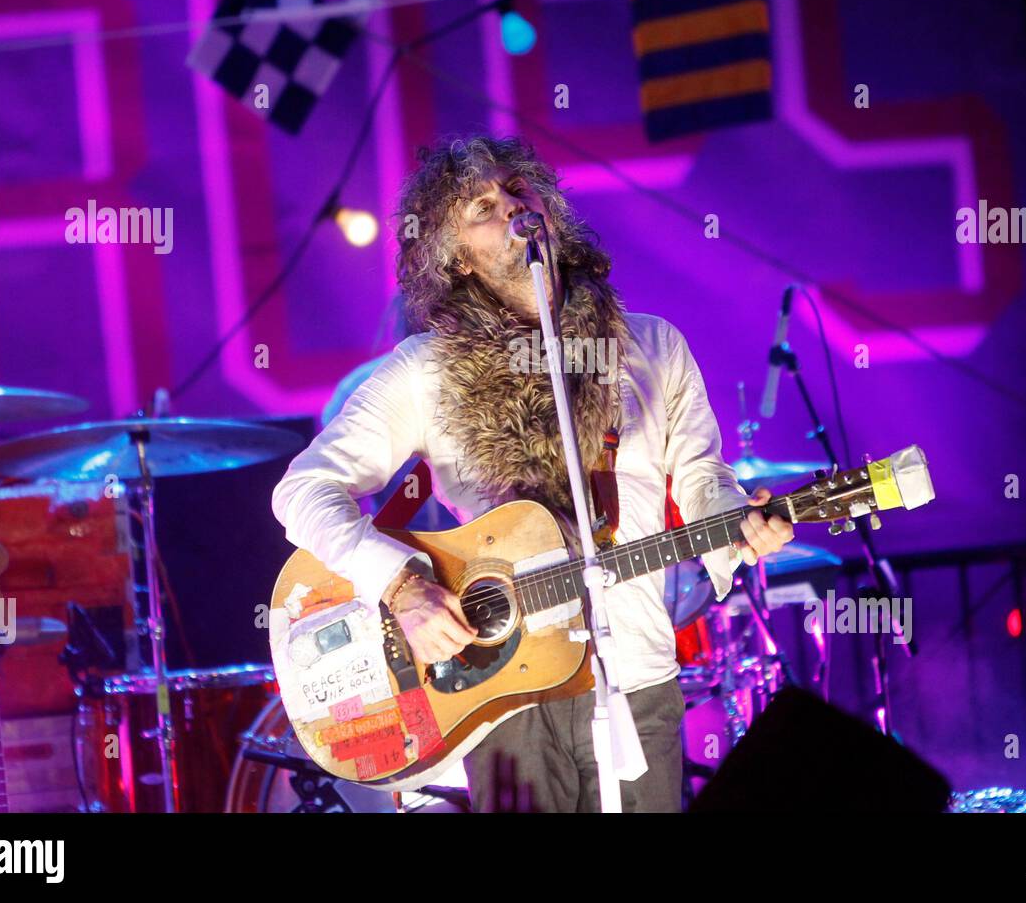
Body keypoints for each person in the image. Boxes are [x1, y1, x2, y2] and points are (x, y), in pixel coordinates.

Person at [272, 135, 793, 811]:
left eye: (518, 189)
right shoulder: (424, 371)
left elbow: (701, 478)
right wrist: (401, 589)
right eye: (482, 206)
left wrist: (736, 528)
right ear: (454, 254)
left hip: (635, 670)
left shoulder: (652, 347)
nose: (513, 206)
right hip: (501, 690)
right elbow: (301, 493)